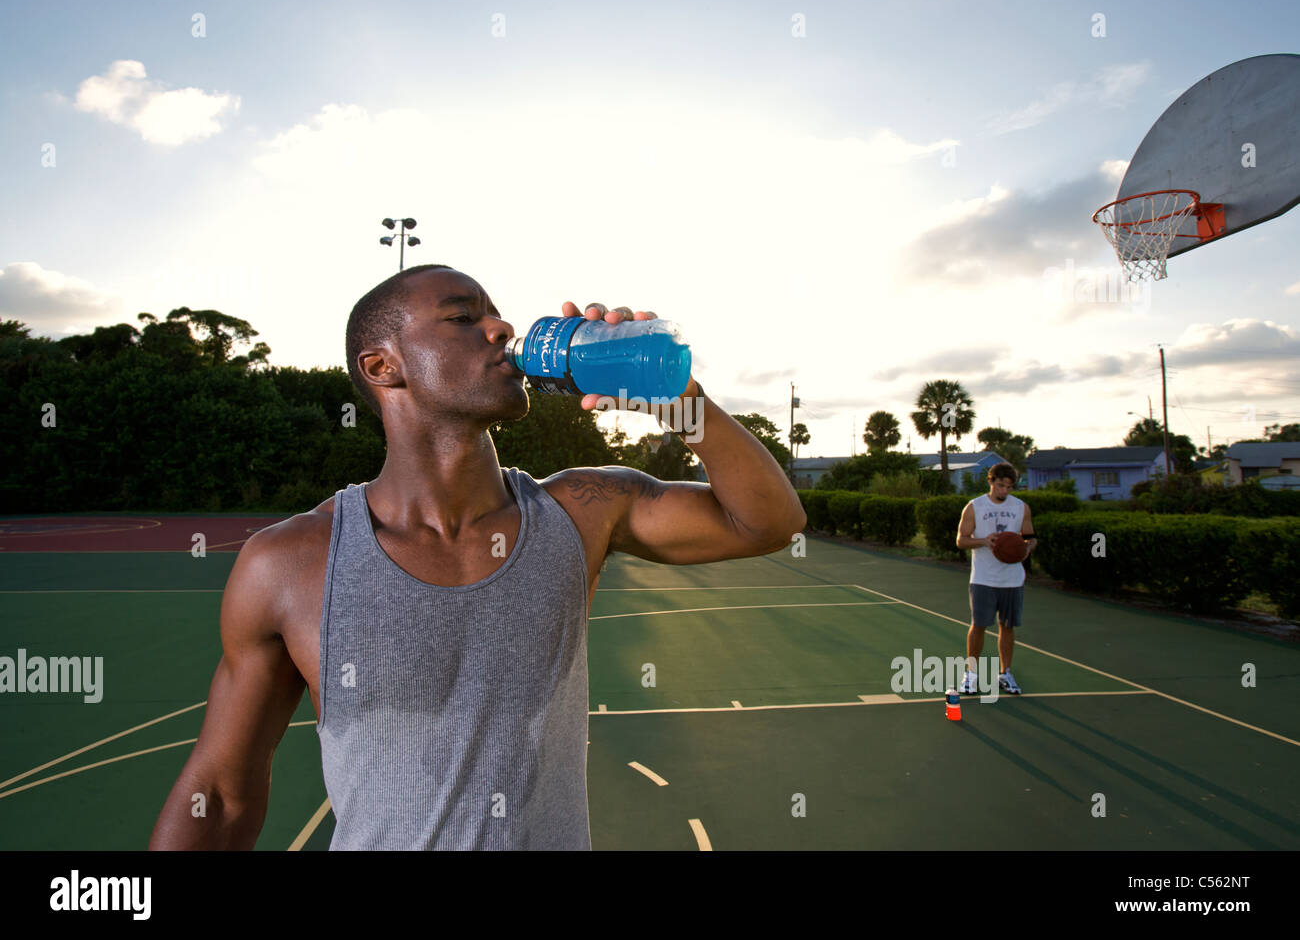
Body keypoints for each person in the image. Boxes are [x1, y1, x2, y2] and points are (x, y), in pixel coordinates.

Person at [148, 264, 806, 850]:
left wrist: (679, 398)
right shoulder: (289, 562)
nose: (501, 329)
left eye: (495, 315)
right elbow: (222, 798)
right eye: (464, 318)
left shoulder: (582, 507)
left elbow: (766, 521)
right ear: (384, 366)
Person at [954, 463, 1037, 695]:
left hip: (1012, 578)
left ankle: (1005, 673)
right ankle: (970, 674)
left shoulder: (1021, 508)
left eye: (1009, 487)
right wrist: (984, 541)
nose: (1004, 490)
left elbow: (1030, 537)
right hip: (983, 577)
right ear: (991, 482)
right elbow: (960, 541)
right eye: (1000, 485)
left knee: (1008, 626)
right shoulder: (974, 507)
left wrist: (1026, 548)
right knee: (979, 625)